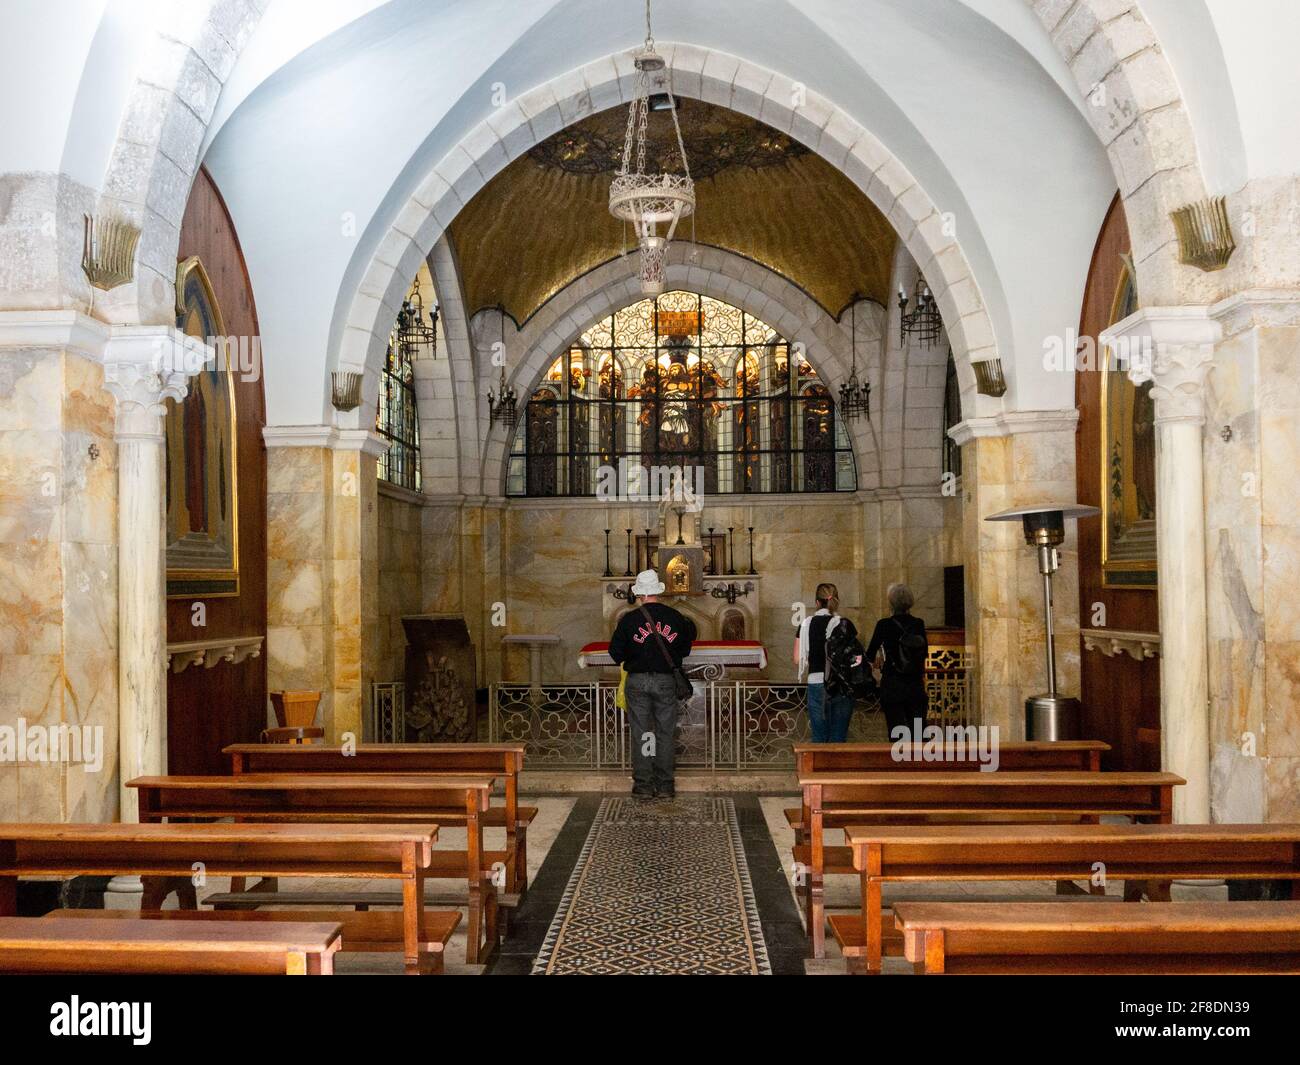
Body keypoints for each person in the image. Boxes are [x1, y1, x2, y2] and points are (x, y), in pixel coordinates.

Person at [609, 569, 696, 799]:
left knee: (641, 732)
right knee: (666, 733)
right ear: (658, 591)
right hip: (666, 680)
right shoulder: (675, 617)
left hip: (637, 681)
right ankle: (666, 786)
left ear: (639, 594)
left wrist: (635, 654)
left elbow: (616, 654)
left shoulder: (629, 619)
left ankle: (643, 785)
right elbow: (685, 650)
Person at [794, 582, 858, 742]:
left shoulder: (806, 624)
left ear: (816, 602)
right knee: (838, 737)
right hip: (841, 685)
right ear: (836, 601)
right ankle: (838, 767)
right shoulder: (845, 624)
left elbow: (797, 659)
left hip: (816, 683)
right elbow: (856, 658)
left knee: (819, 737)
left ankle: (820, 767)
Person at [865, 582, 929, 738]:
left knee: (896, 732)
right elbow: (924, 651)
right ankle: (918, 762)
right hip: (915, 684)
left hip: (892, 684)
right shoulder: (918, 624)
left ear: (891, 603)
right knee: (919, 733)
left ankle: (899, 762)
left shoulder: (883, 625)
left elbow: (870, 654)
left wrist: (878, 661)